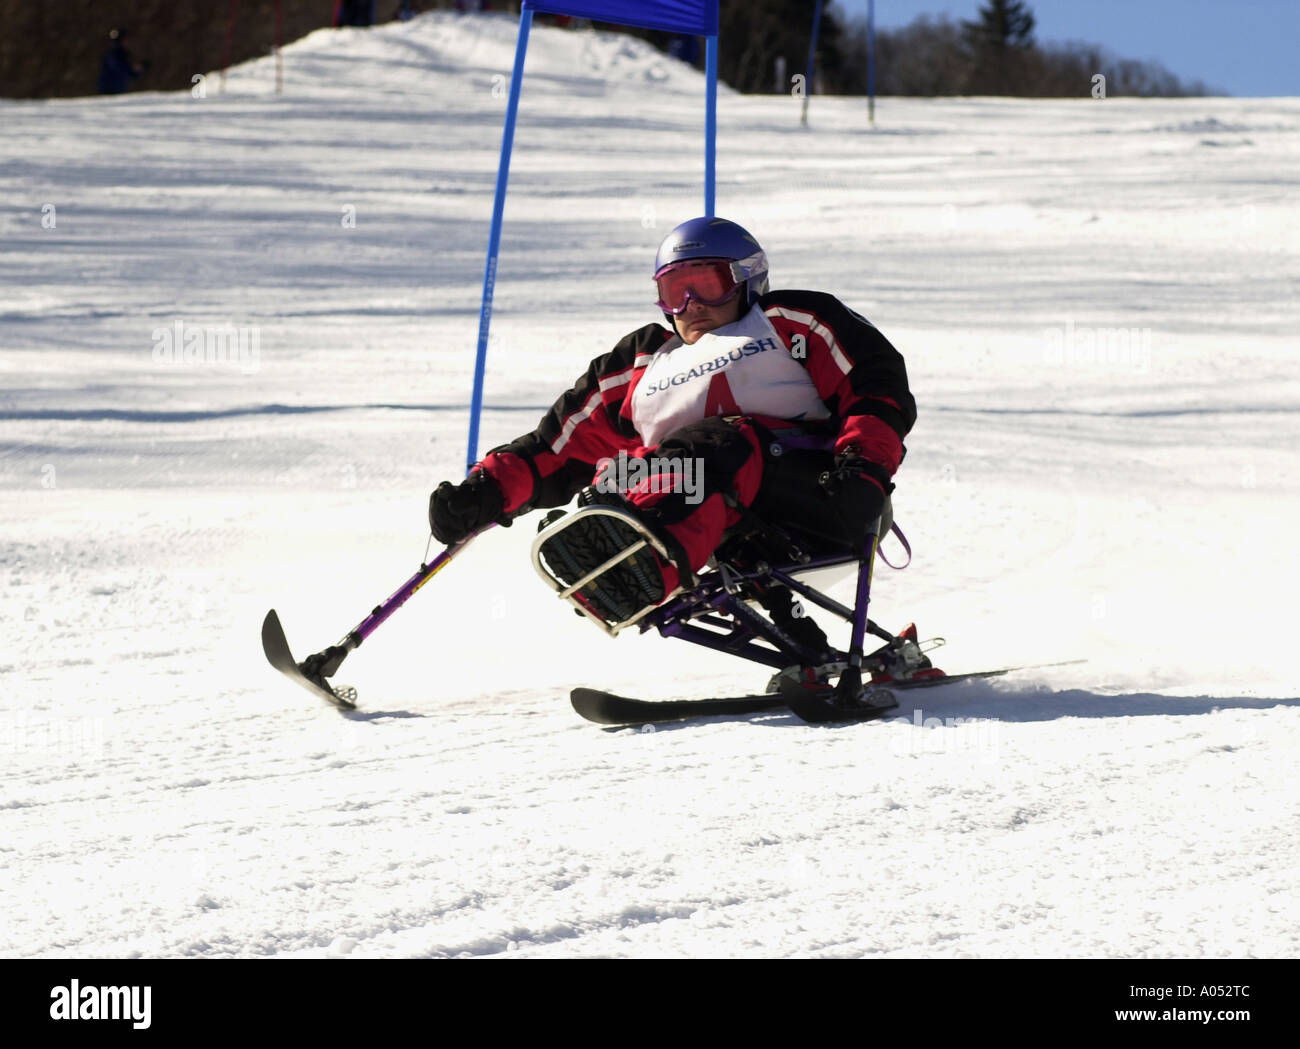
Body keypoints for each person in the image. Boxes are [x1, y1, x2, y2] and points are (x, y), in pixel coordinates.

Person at [429, 217, 916, 639]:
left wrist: (864, 471)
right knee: (615, 476)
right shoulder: (644, 359)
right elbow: (557, 446)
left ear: (747, 282)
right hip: (716, 514)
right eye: (673, 291)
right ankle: (610, 559)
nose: (691, 305)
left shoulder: (789, 322)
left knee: (716, 443)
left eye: (707, 285)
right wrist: (485, 490)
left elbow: (874, 387)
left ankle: (644, 558)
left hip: (824, 497)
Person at [97, 28, 143, 95]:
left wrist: (138, 70)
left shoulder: (123, 53)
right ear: (120, 40)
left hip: (118, 89)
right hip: (109, 90)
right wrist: (133, 68)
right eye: (125, 39)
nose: (127, 42)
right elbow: (119, 68)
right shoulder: (113, 53)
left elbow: (129, 73)